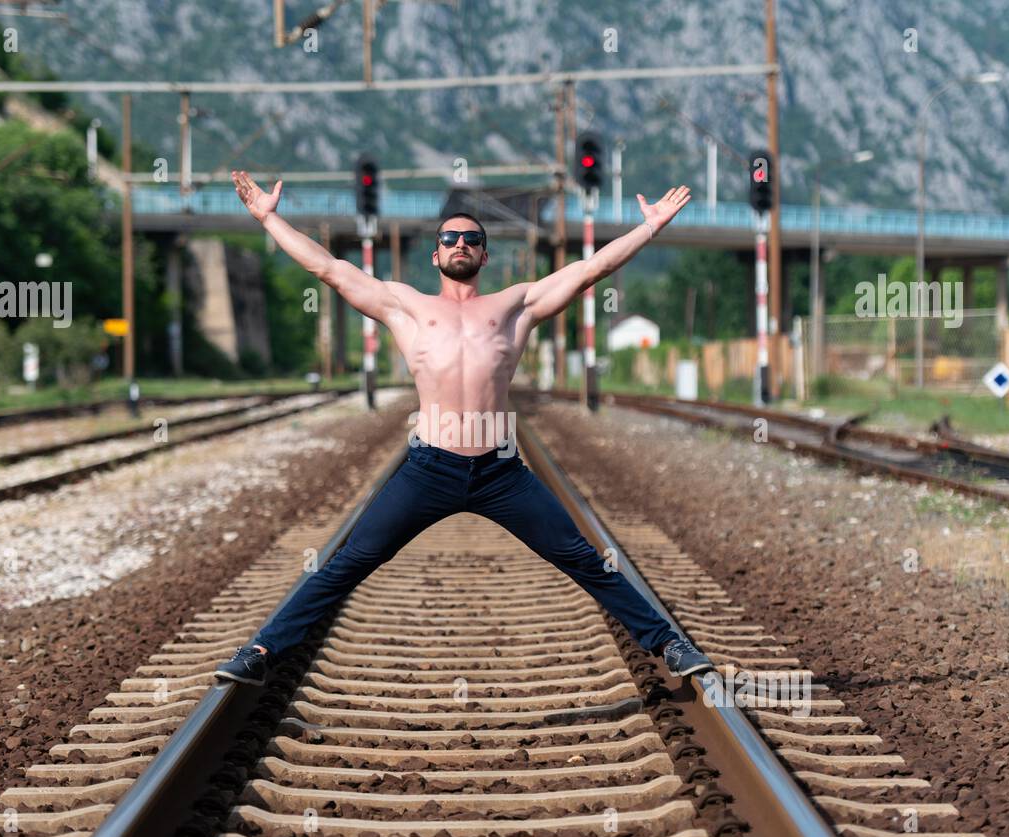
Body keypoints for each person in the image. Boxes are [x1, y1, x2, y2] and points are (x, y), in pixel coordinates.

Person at [214, 166, 713, 685]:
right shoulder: (407, 307)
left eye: (471, 239)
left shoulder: (514, 307)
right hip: (429, 468)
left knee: (584, 558)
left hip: (501, 472)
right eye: (449, 238)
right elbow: (331, 270)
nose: (460, 244)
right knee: (346, 563)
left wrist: (650, 227)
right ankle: (262, 650)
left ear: (483, 255)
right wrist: (271, 221)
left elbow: (589, 271)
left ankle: (670, 645)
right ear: (436, 255)